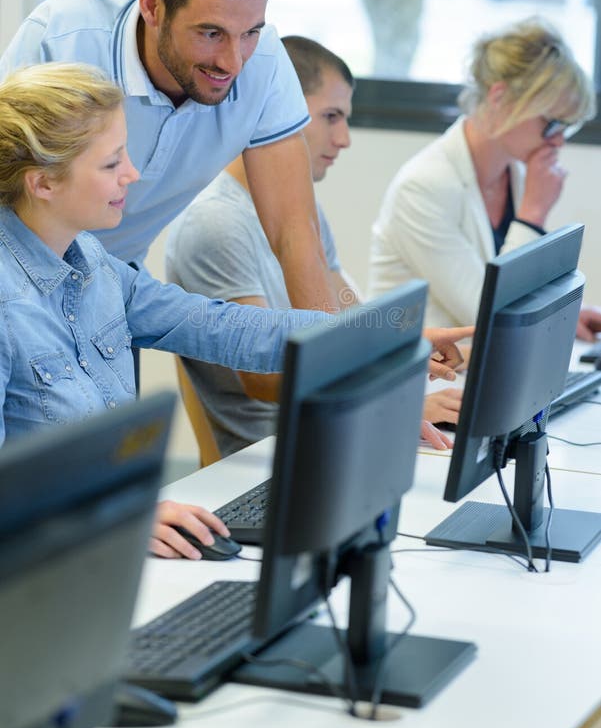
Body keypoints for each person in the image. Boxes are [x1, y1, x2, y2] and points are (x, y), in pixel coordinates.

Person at [0, 64, 465, 557]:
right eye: (112, 163)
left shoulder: (94, 264)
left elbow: (224, 327)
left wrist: (381, 337)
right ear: (43, 184)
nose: (132, 174)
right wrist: (107, 512)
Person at [0, 0, 338, 312]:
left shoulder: (263, 62)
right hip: (17, 282)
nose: (232, 62)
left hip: (117, 284)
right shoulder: (60, 40)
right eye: (211, 33)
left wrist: (334, 361)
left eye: (250, 32)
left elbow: (293, 232)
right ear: (153, 6)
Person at [166, 36, 465, 457]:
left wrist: (408, 343)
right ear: (279, 112)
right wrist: (390, 399)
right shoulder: (216, 223)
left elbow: (345, 311)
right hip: (274, 456)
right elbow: (263, 372)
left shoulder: (303, 211)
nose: (343, 138)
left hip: (334, 431)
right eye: (331, 116)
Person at [368, 16, 601, 340]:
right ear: (500, 98)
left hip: (483, 372)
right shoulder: (423, 187)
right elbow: (492, 316)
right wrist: (532, 215)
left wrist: (565, 313)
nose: (558, 141)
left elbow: (524, 294)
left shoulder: (516, 172)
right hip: (430, 382)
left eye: (567, 127)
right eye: (552, 124)